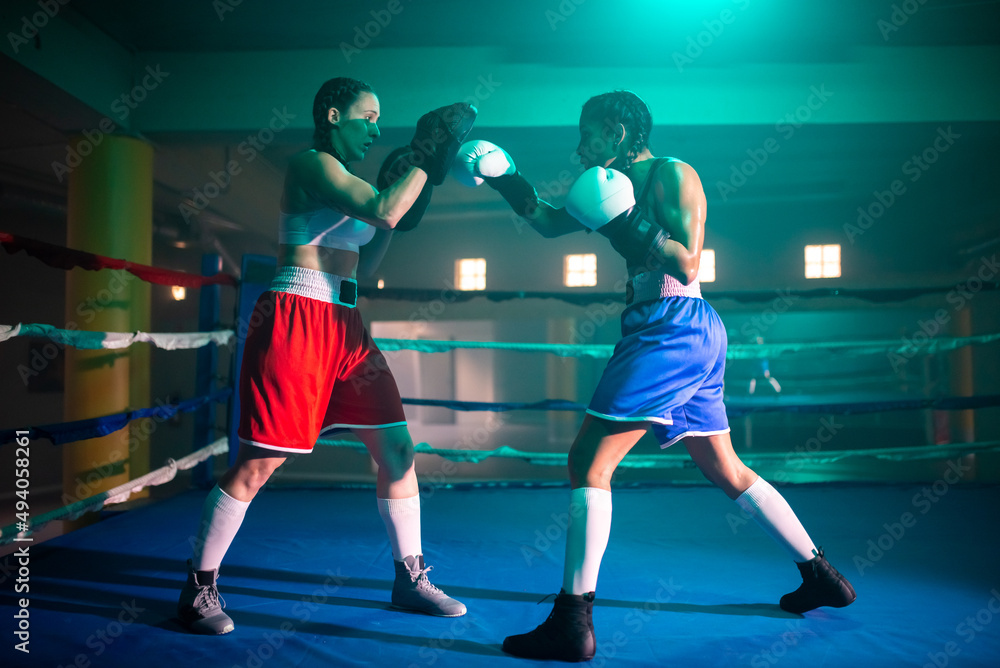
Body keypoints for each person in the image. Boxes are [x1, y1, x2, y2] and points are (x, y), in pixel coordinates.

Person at [454, 90, 856, 662]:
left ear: (617, 131)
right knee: (724, 466)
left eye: (588, 132)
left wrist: (624, 222)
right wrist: (506, 176)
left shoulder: (673, 174)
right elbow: (546, 223)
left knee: (588, 463)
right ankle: (821, 576)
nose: (579, 144)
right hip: (673, 327)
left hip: (674, 322)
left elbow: (688, 260)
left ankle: (572, 622)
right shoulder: (604, 186)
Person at [176, 77, 477, 635]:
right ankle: (197, 588)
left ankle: (409, 578)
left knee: (397, 449)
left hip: (346, 326)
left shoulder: (352, 183)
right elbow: (385, 211)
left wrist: (415, 190)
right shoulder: (311, 165)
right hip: (296, 318)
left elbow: (377, 242)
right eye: (368, 117)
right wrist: (427, 162)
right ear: (334, 115)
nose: (378, 129)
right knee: (260, 462)